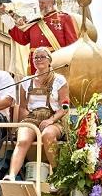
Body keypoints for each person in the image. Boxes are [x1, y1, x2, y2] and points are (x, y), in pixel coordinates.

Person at [4, 47, 70, 180]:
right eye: (36, 57)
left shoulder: (59, 80)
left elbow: (65, 107)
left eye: (42, 57)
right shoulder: (26, 81)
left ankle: (57, 176)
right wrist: (21, 126)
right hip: (32, 117)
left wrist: (51, 120)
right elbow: (23, 107)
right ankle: (11, 175)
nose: (39, 59)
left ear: (49, 60)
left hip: (53, 118)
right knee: (22, 140)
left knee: (48, 135)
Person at [0, 0, 79, 74]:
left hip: (56, 66)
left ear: (52, 2)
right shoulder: (35, 21)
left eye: (43, 3)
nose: (40, 5)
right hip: (35, 68)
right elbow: (23, 39)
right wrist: (11, 26)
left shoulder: (64, 18)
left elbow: (72, 45)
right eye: (39, 3)